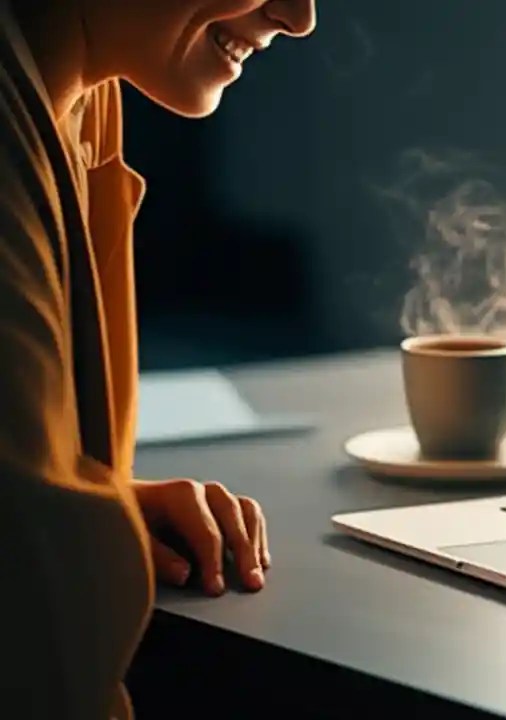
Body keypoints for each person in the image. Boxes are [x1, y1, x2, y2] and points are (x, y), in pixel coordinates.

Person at [0, 0, 316, 717]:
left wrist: (94, 504)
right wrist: (54, 527)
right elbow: (32, 639)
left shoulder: (83, 88)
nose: (298, 18)